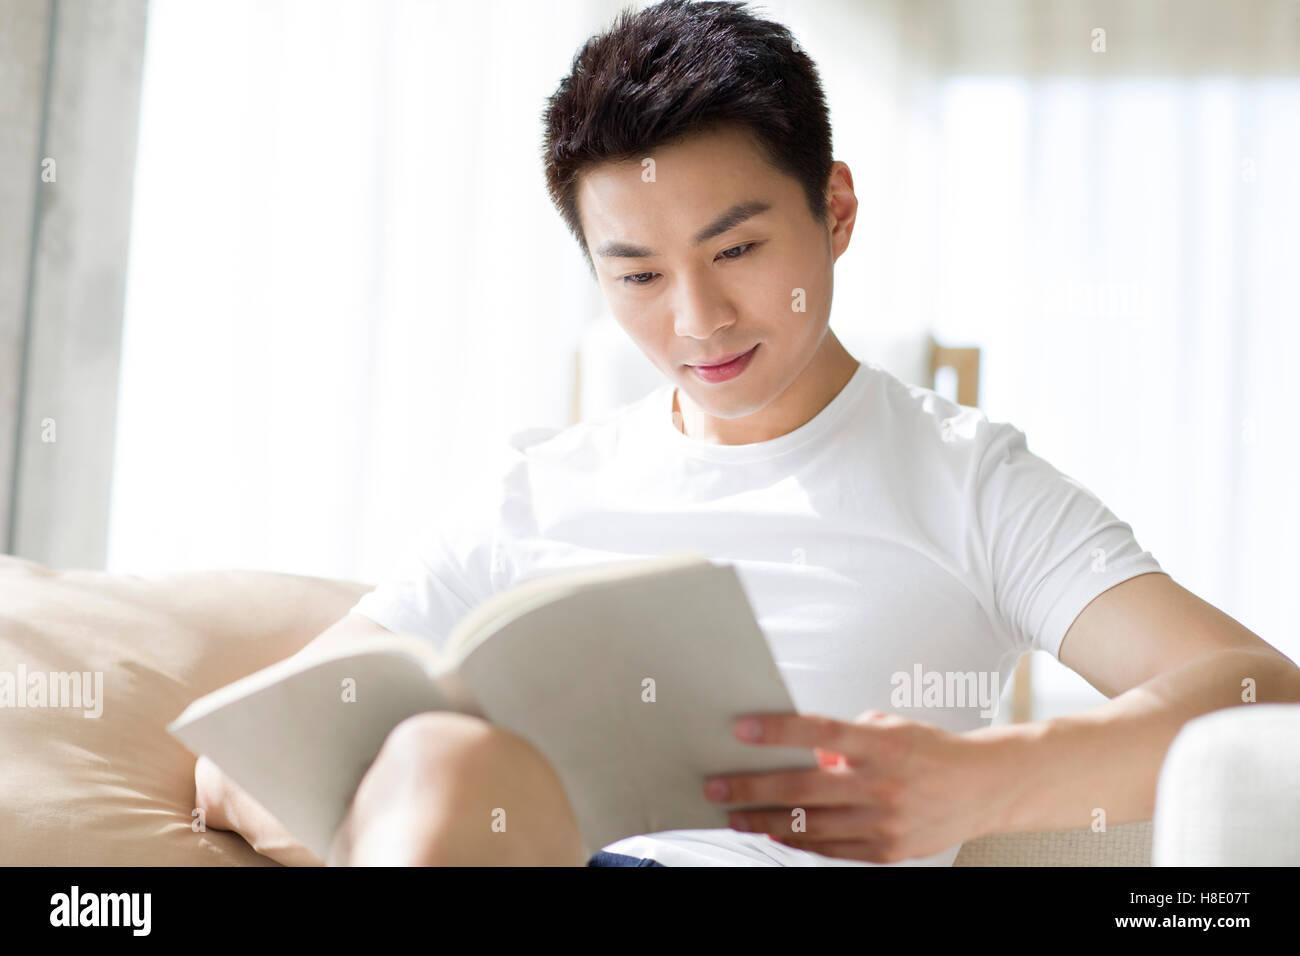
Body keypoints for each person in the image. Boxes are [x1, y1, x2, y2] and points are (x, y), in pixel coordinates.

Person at [196, 0, 1300, 867]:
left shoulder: (966, 479)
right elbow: (248, 760)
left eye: (735, 251)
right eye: (637, 275)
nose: (698, 320)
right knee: (444, 755)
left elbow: (1260, 692)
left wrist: (989, 781)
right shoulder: (538, 489)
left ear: (835, 210)